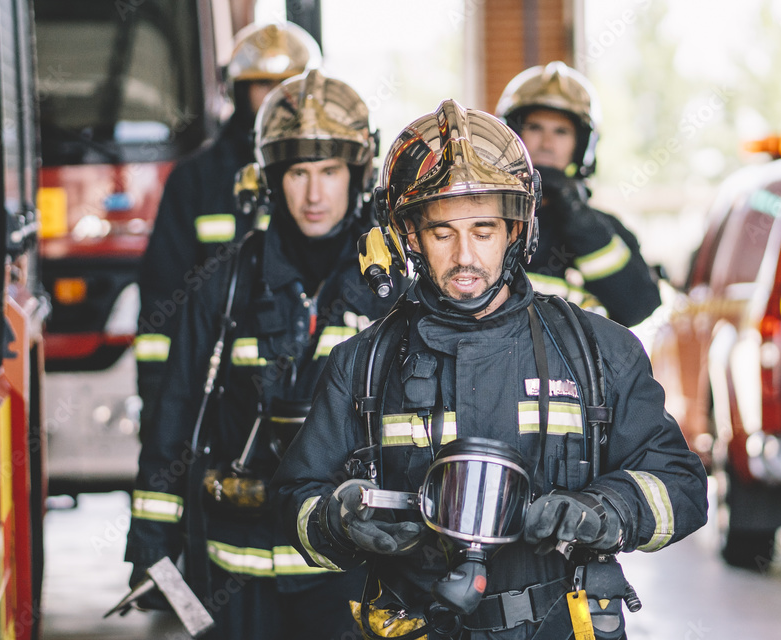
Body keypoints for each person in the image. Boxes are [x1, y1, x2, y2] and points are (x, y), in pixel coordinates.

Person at [272, 99, 709, 639]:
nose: (465, 257)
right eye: (442, 233)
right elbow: (294, 497)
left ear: (515, 230)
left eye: (483, 229)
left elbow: (682, 486)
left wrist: (605, 511)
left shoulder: (599, 351)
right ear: (409, 237)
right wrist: (335, 521)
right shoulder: (361, 365)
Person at [125, 69, 401, 639]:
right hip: (236, 570)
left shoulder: (391, 288)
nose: (315, 194)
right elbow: (174, 414)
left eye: (329, 171)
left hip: (347, 570)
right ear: (272, 179)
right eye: (298, 172)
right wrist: (152, 544)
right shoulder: (225, 283)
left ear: (359, 175)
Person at [134, 22, 322, 423]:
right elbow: (162, 298)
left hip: (311, 389)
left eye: (289, 86)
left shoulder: (330, 179)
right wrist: (159, 406)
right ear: (239, 90)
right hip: (216, 395)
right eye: (263, 86)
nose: (276, 100)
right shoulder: (195, 180)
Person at [496, 61, 660, 327]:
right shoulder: (484, 220)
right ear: (513, 135)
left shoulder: (604, 230)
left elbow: (638, 308)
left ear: (581, 146)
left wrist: (578, 218)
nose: (547, 143)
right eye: (535, 128)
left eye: (561, 131)